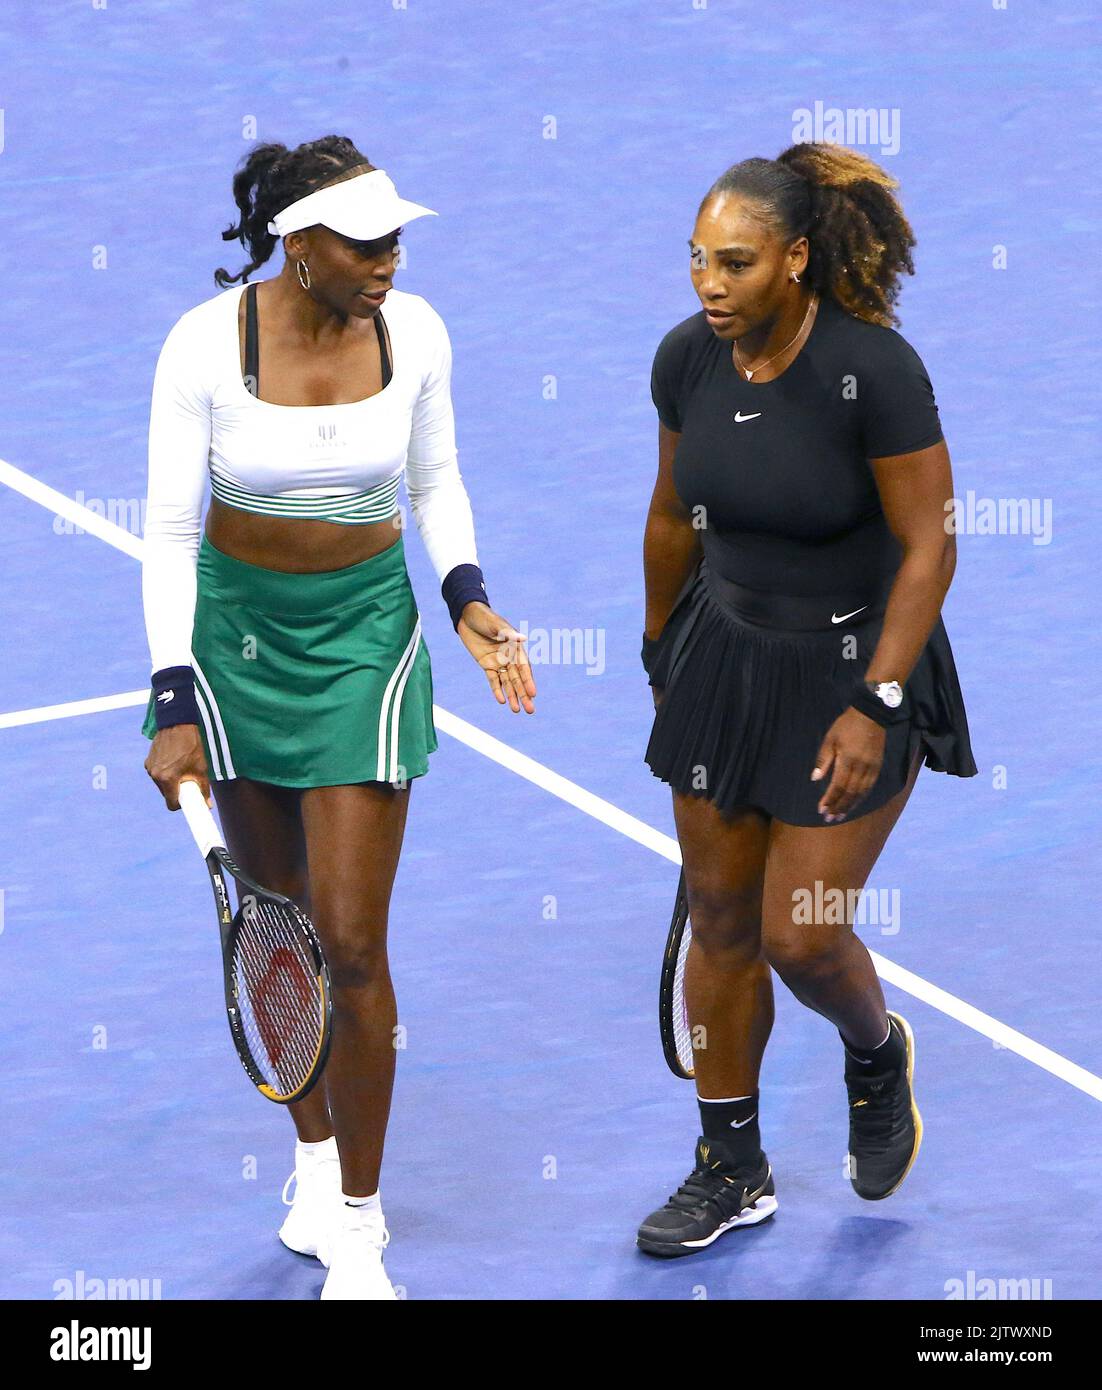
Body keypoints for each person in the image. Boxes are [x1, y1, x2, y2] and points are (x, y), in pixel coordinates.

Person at [140, 135, 536, 1298]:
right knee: (279, 924)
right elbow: (169, 532)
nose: (390, 260)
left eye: (396, 239)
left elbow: (434, 481)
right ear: (297, 243)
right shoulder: (204, 346)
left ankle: (359, 1222)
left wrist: (465, 596)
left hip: (365, 641)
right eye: (366, 243)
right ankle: (313, 1159)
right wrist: (173, 695)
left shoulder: (416, 333)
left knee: (353, 941)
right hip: (237, 644)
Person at [636, 142, 976, 1257]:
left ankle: (874, 1051)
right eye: (697, 260)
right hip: (724, 659)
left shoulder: (874, 371)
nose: (708, 285)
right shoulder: (686, 358)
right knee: (723, 919)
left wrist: (877, 702)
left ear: (793, 259)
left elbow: (930, 545)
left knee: (799, 932)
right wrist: (658, 652)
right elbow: (670, 516)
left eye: (734, 264)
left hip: (856, 665)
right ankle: (729, 1166)